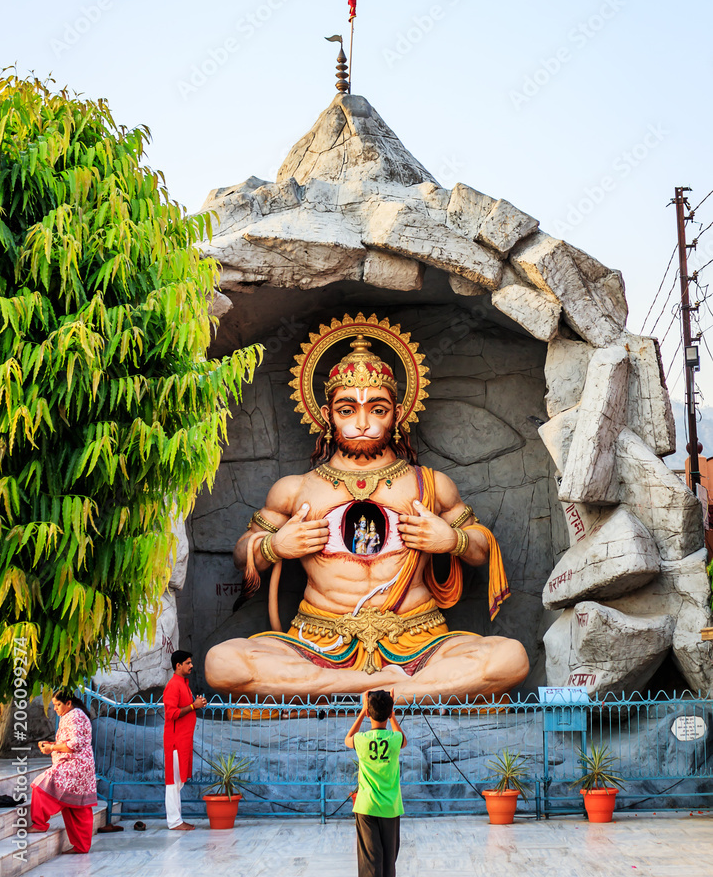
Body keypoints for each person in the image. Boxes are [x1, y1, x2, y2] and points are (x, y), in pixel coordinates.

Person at [205, 318, 528, 700]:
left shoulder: (431, 484)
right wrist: (275, 547)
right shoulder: (296, 489)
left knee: (511, 657)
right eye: (347, 409)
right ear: (327, 415)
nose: (362, 424)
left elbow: (480, 548)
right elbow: (242, 553)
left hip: (418, 640)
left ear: (397, 414)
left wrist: (451, 539)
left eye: (377, 409)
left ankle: (333, 696)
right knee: (221, 663)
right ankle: (394, 694)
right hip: (317, 642)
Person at [345, 689, 406, 877]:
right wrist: (392, 714)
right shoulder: (395, 740)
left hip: (366, 806)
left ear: (369, 712)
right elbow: (403, 740)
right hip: (390, 806)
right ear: (389, 712)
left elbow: (347, 739)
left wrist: (363, 712)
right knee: (389, 860)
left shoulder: (361, 740)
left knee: (370, 861)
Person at [30, 690, 97, 854]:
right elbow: (70, 742)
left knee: (41, 785)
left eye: (58, 704)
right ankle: (81, 847)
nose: (55, 708)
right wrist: (52, 745)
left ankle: (39, 824)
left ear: (68, 703)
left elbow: (73, 744)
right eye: (54, 705)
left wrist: (51, 747)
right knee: (76, 807)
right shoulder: (75, 715)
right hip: (81, 767)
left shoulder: (74, 716)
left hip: (74, 766)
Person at [163, 649, 207, 831]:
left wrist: (194, 704)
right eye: (188, 663)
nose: (191, 666)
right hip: (175, 741)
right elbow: (171, 713)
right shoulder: (173, 685)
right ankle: (174, 821)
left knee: (178, 781)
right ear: (178, 665)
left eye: (191, 662)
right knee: (173, 783)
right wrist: (192, 706)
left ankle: (177, 819)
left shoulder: (183, 684)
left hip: (183, 741)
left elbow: (185, 709)